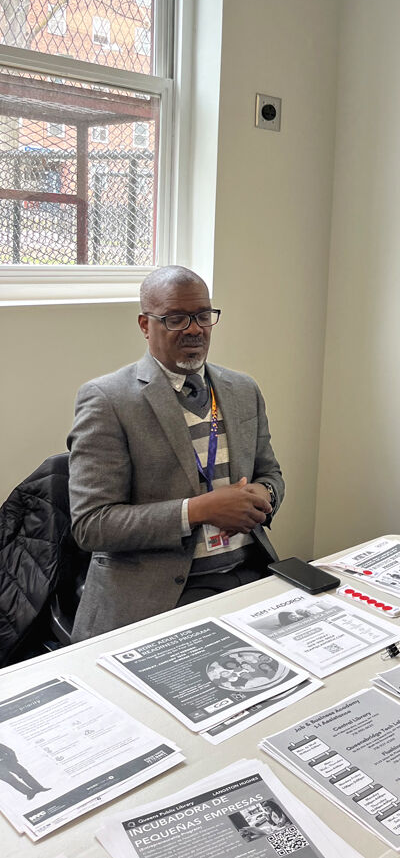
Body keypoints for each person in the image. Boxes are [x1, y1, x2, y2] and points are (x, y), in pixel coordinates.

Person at [68, 266, 285, 641]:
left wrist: (264, 496)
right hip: (162, 596)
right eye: (175, 319)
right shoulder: (108, 400)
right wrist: (200, 510)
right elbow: (92, 525)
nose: (194, 329)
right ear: (144, 324)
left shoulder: (242, 389)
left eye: (203, 315)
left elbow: (272, 475)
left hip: (252, 577)